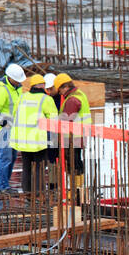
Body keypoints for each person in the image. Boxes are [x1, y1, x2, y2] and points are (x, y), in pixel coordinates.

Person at [13, 74, 58, 197]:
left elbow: (14, 114)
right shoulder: (46, 99)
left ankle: (27, 194)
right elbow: (54, 120)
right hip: (38, 141)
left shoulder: (22, 97)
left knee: (26, 167)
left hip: (22, 140)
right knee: (39, 168)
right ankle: (38, 195)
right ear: (43, 85)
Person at [0, 62, 27, 194]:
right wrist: (4, 123)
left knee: (13, 156)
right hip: (5, 129)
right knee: (6, 157)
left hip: (15, 128)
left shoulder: (17, 88)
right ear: (10, 78)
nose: (19, 82)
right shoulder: (1, 89)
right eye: (17, 80)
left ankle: (6, 184)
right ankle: (2, 186)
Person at [52, 73, 91, 203]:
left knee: (72, 165)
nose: (61, 94)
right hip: (79, 136)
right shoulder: (80, 94)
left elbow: (65, 120)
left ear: (65, 87)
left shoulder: (72, 100)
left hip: (72, 138)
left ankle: (75, 192)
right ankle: (79, 191)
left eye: (60, 91)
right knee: (77, 164)